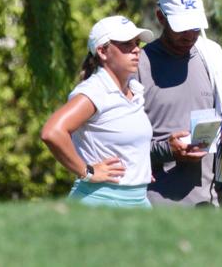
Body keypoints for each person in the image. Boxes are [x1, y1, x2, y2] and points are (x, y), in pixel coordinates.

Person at [137, 0, 222, 207]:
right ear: (160, 17)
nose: (190, 35)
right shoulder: (139, 64)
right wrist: (167, 150)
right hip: (157, 204)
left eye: (195, 26)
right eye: (182, 27)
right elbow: (121, 144)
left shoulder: (212, 56)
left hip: (214, 202)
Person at [41, 15, 155, 208]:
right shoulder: (95, 91)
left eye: (137, 43)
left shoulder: (134, 91)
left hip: (138, 200)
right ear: (102, 51)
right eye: (126, 44)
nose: (136, 49)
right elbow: (52, 132)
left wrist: (139, 170)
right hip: (101, 201)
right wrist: (87, 172)